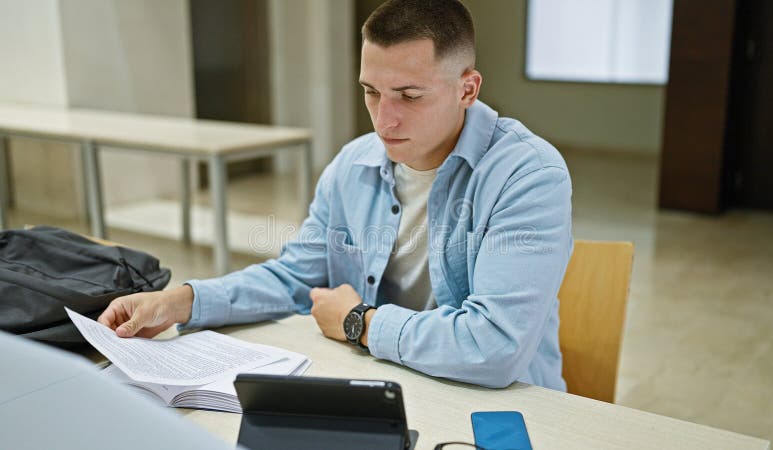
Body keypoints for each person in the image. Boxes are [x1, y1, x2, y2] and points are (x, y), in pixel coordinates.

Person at [98, 0, 572, 390]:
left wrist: (360, 323)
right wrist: (181, 301)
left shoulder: (528, 175)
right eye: (371, 92)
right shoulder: (354, 164)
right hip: (386, 378)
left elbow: (493, 348)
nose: (384, 120)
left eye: (409, 96)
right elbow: (294, 277)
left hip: (494, 401)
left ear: (467, 89)